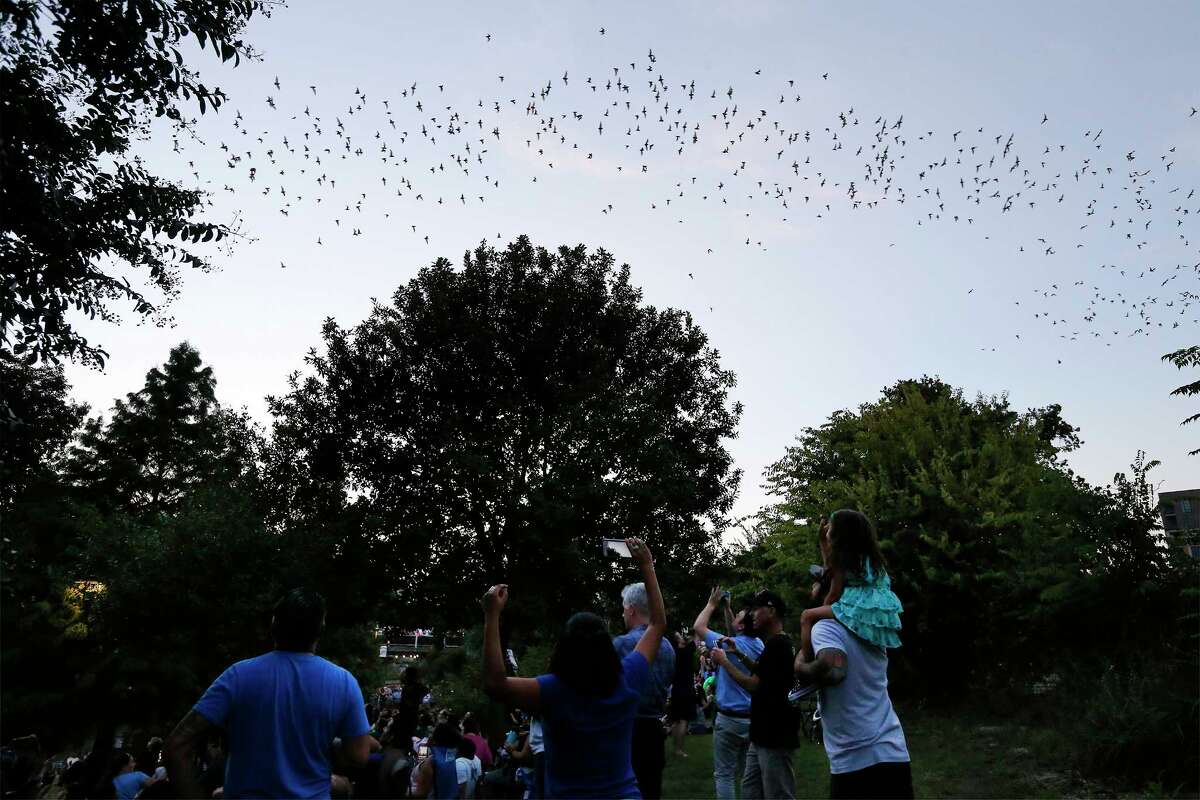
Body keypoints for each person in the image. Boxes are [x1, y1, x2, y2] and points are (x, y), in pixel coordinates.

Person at [479, 537, 667, 799]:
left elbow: (495, 683)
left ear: (563, 648)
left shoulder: (551, 690)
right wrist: (647, 565)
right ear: (606, 646)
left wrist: (491, 614)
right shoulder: (628, 678)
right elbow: (657, 624)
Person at [165, 588, 372, 798]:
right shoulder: (344, 682)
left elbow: (176, 746)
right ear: (321, 629)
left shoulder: (237, 677)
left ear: (273, 625)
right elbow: (359, 755)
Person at [710, 590, 798, 800]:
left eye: (757, 609)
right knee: (750, 791)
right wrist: (738, 653)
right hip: (760, 732)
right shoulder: (774, 643)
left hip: (774, 733)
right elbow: (762, 671)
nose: (752, 614)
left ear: (771, 611)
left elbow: (753, 684)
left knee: (778, 793)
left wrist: (724, 662)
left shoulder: (778, 645)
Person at [799, 511, 902, 662]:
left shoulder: (841, 558)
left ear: (839, 533)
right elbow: (829, 570)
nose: (827, 530)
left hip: (857, 606)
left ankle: (807, 660)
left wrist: (822, 612)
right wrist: (822, 541)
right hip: (878, 608)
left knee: (806, 616)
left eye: (830, 527)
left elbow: (833, 594)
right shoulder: (870, 557)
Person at [693, 587, 765, 800]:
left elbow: (698, 626)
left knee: (724, 774)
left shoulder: (727, 645)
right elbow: (735, 633)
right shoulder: (758, 644)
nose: (736, 617)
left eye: (739, 616)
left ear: (741, 625)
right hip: (751, 718)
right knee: (747, 774)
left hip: (728, 719)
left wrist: (712, 604)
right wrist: (728, 608)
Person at [611, 579, 675, 799]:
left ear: (631, 609)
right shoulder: (668, 646)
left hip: (627, 732)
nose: (622, 614)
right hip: (655, 732)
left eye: (623, 609)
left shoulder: (620, 645)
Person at [667, 632, 697, 758]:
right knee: (684, 719)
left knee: (676, 719)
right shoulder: (687, 651)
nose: (682, 636)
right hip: (686, 689)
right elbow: (695, 638)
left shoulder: (673, 653)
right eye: (679, 635)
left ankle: (675, 748)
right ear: (678, 641)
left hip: (676, 689)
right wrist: (689, 638)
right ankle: (679, 749)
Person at [411, 723, 462, 799]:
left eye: (432, 733)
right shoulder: (451, 757)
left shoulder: (430, 762)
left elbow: (421, 793)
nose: (429, 735)